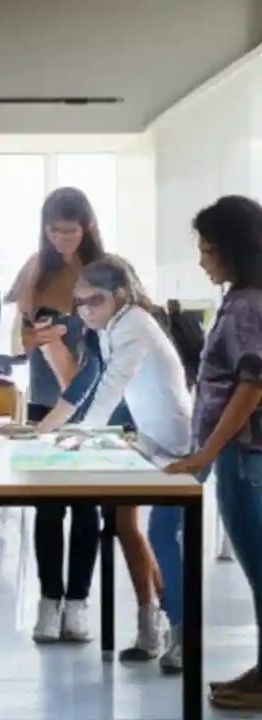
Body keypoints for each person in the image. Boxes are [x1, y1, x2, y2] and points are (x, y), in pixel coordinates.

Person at [18, 254, 192, 668]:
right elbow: (90, 381)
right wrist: (55, 429)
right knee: (126, 527)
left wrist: (83, 431)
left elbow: (112, 383)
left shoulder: (134, 325)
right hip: (145, 440)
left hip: (174, 447)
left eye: (93, 301)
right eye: (79, 303)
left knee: (163, 538)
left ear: (119, 295)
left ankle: (181, 632)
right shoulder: (112, 324)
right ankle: (153, 628)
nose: (84, 310)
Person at [163, 195, 262, 709]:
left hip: (245, 458)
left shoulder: (249, 304)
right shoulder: (241, 296)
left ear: (233, 251)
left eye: (208, 249)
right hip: (238, 457)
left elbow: (252, 385)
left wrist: (207, 454)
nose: (202, 259)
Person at [6, 187, 107, 643]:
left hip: (90, 404)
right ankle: (49, 601)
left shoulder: (104, 271)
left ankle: (78, 603)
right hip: (44, 402)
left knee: (87, 509)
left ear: (86, 226)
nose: (61, 237)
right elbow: (17, 342)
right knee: (47, 509)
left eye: (69, 229)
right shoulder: (35, 268)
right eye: (53, 229)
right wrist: (36, 339)